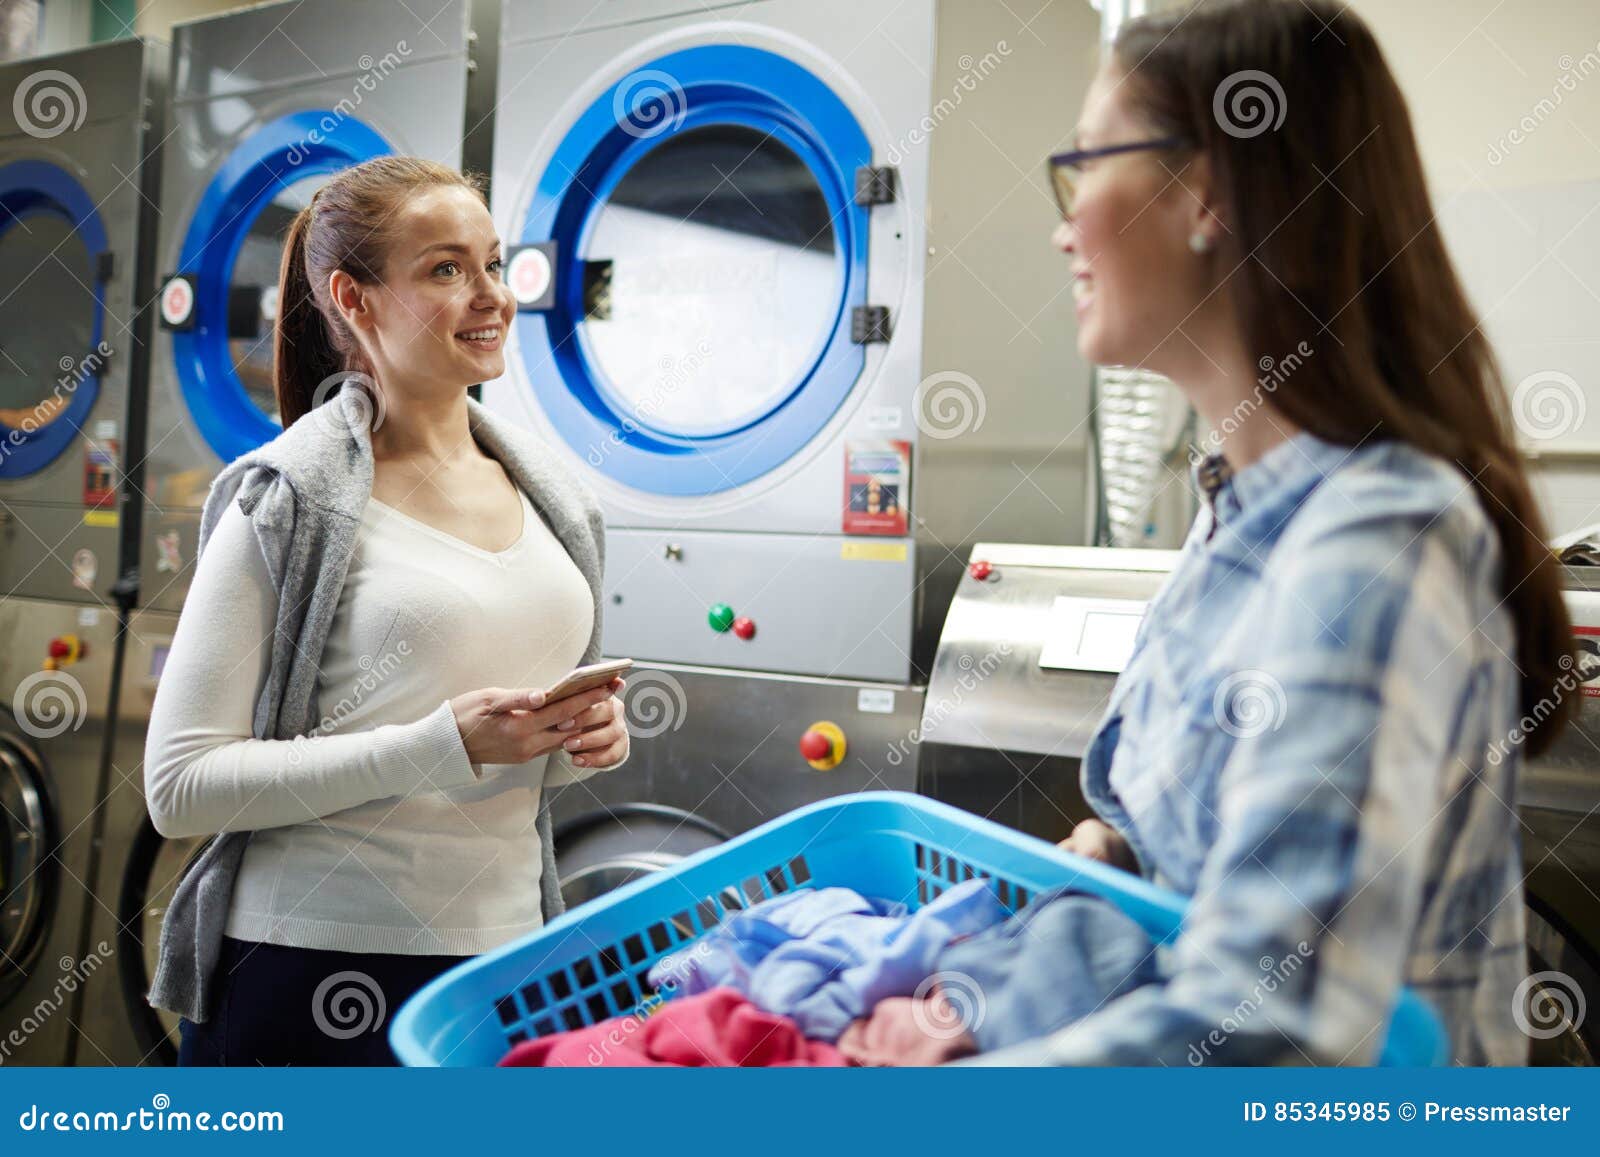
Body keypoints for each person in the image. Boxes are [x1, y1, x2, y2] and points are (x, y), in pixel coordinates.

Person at [1028, 0, 1573, 1064]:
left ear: (1208, 192)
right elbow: (1203, 840)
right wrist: (1110, 856)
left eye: (1086, 163)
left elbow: (1274, 1022)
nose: (1063, 224)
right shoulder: (1240, 505)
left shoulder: (1378, 536)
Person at [144, 157, 630, 1065]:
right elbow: (178, 787)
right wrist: (439, 745)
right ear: (354, 299)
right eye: (446, 269)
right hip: (314, 965)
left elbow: (508, 762)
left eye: (492, 262)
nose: (490, 295)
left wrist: (578, 736)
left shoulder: (555, 492)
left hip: (506, 959)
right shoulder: (288, 498)